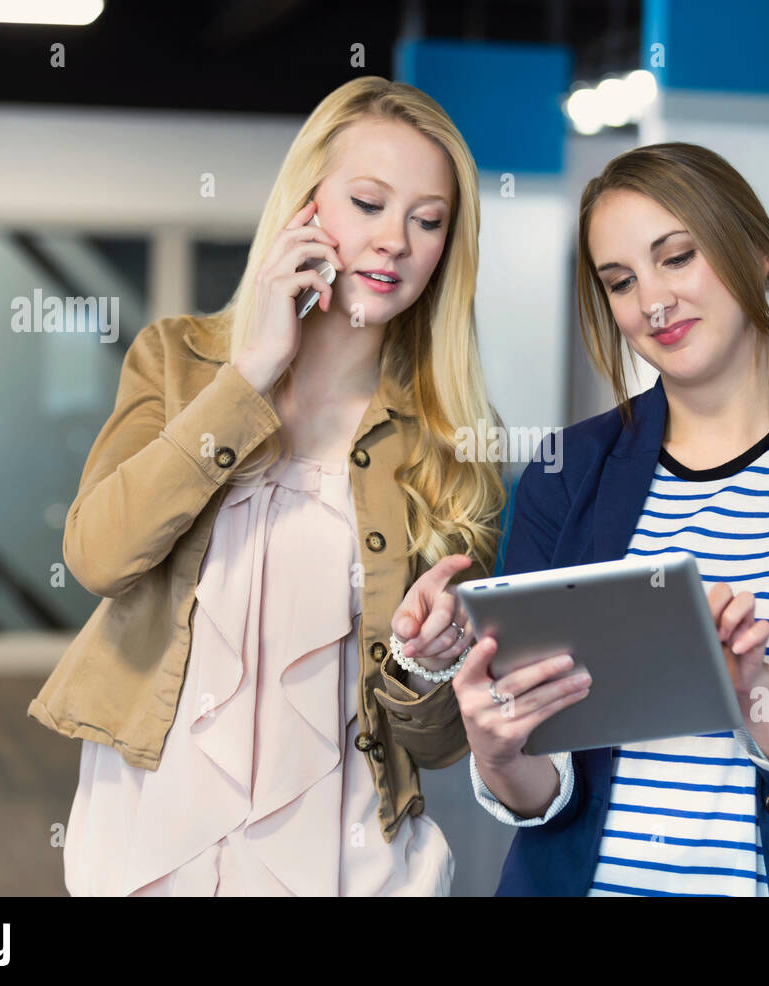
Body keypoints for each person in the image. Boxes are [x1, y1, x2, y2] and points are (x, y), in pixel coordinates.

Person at [26, 76, 504, 896]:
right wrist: (250, 374)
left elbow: (437, 741)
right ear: (306, 205)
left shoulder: (452, 444)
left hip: (338, 853)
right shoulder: (177, 361)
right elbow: (99, 556)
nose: (395, 240)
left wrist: (430, 666)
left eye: (428, 221)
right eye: (368, 202)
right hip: (152, 832)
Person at [450, 142, 769, 896]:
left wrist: (756, 691)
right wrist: (499, 754)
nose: (651, 301)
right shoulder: (565, 472)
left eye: (676, 258)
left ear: (758, 252)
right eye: (621, 281)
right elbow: (539, 794)